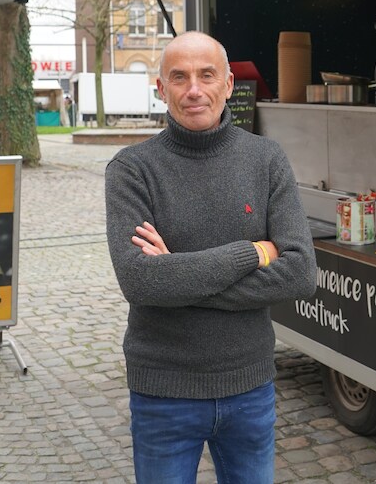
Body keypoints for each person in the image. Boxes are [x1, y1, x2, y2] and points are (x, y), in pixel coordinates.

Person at [104, 31, 317, 483]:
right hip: (164, 392)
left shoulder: (267, 160)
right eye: (179, 77)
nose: (194, 89)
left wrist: (177, 273)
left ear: (228, 86)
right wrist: (253, 252)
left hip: (250, 388)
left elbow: (299, 273)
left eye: (206, 76)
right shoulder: (131, 169)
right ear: (160, 89)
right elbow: (141, 282)